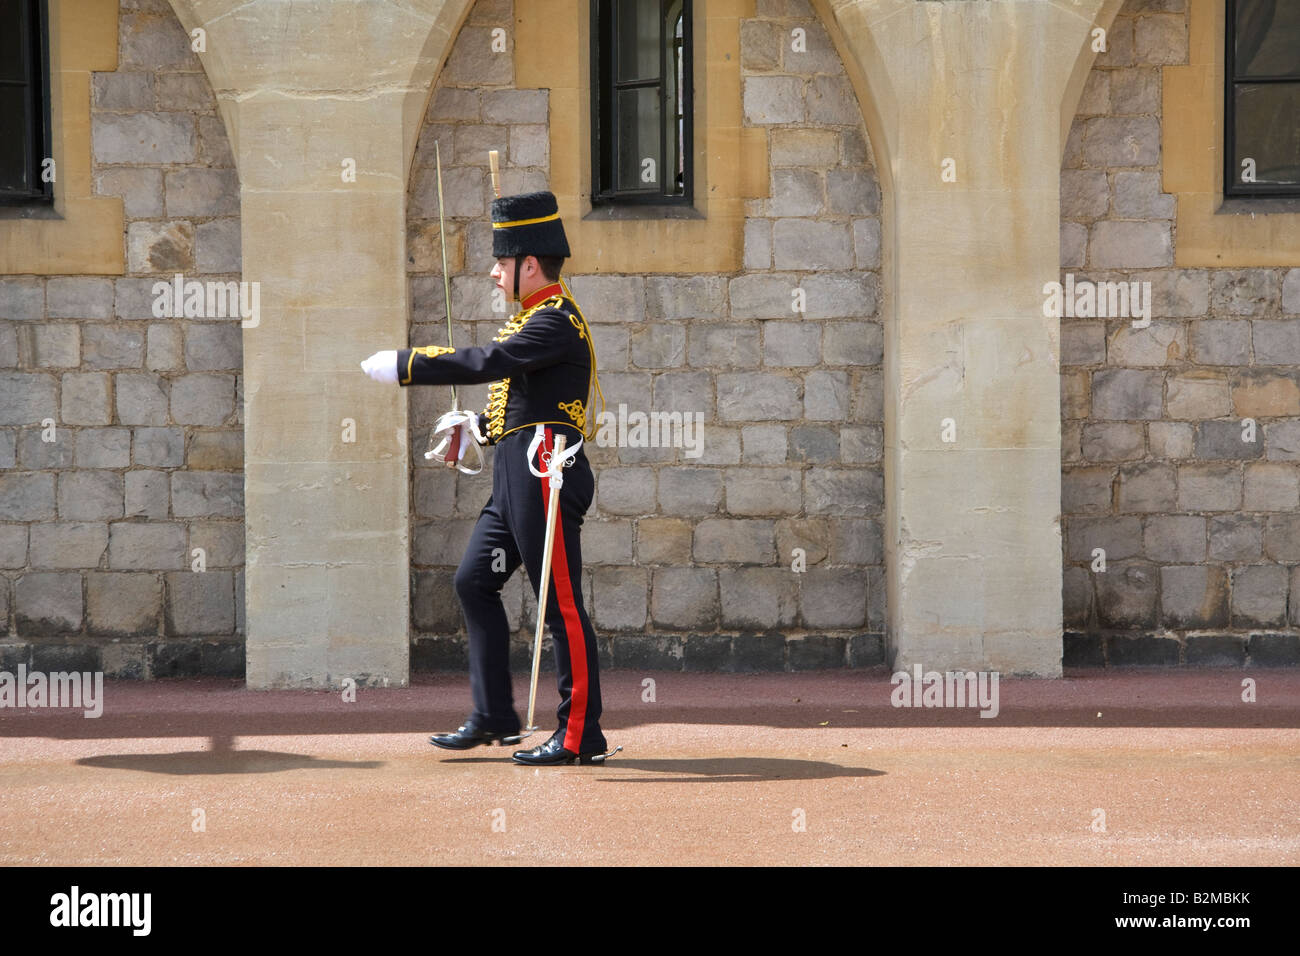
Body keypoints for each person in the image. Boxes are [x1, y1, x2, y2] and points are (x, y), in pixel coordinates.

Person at [361, 191, 611, 766]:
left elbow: (489, 363)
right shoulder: (535, 321)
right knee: (474, 581)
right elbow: (524, 400)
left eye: (503, 263)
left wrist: (408, 365)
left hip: (543, 469)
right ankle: (496, 714)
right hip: (516, 469)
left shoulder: (555, 321)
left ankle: (579, 733)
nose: (494, 273)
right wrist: (476, 426)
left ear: (529, 264)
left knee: (561, 605)